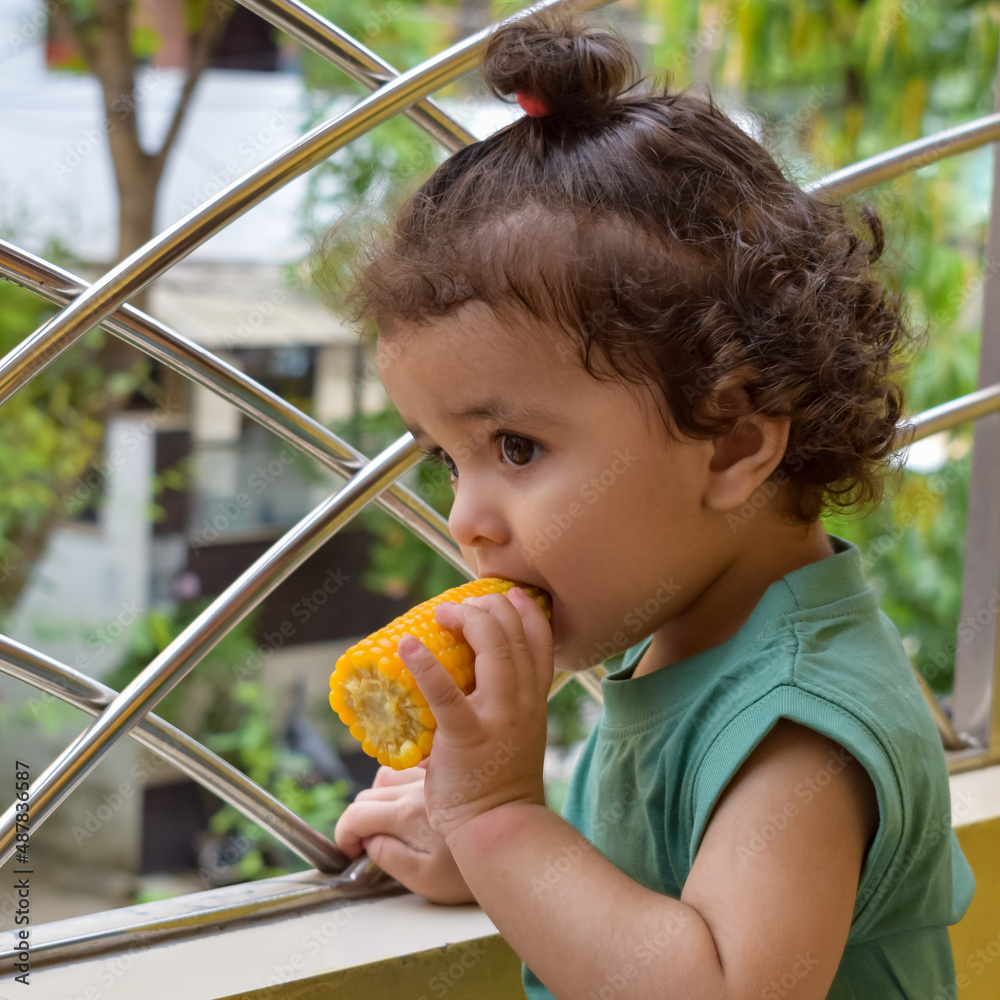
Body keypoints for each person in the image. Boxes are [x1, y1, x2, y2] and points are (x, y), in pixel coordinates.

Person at [332, 7, 975, 997]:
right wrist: (499, 862)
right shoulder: (681, 631)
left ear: (729, 442)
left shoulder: (800, 723)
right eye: (446, 461)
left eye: (515, 446)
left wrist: (501, 819)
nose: (466, 517)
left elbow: (717, 983)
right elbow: (650, 892)